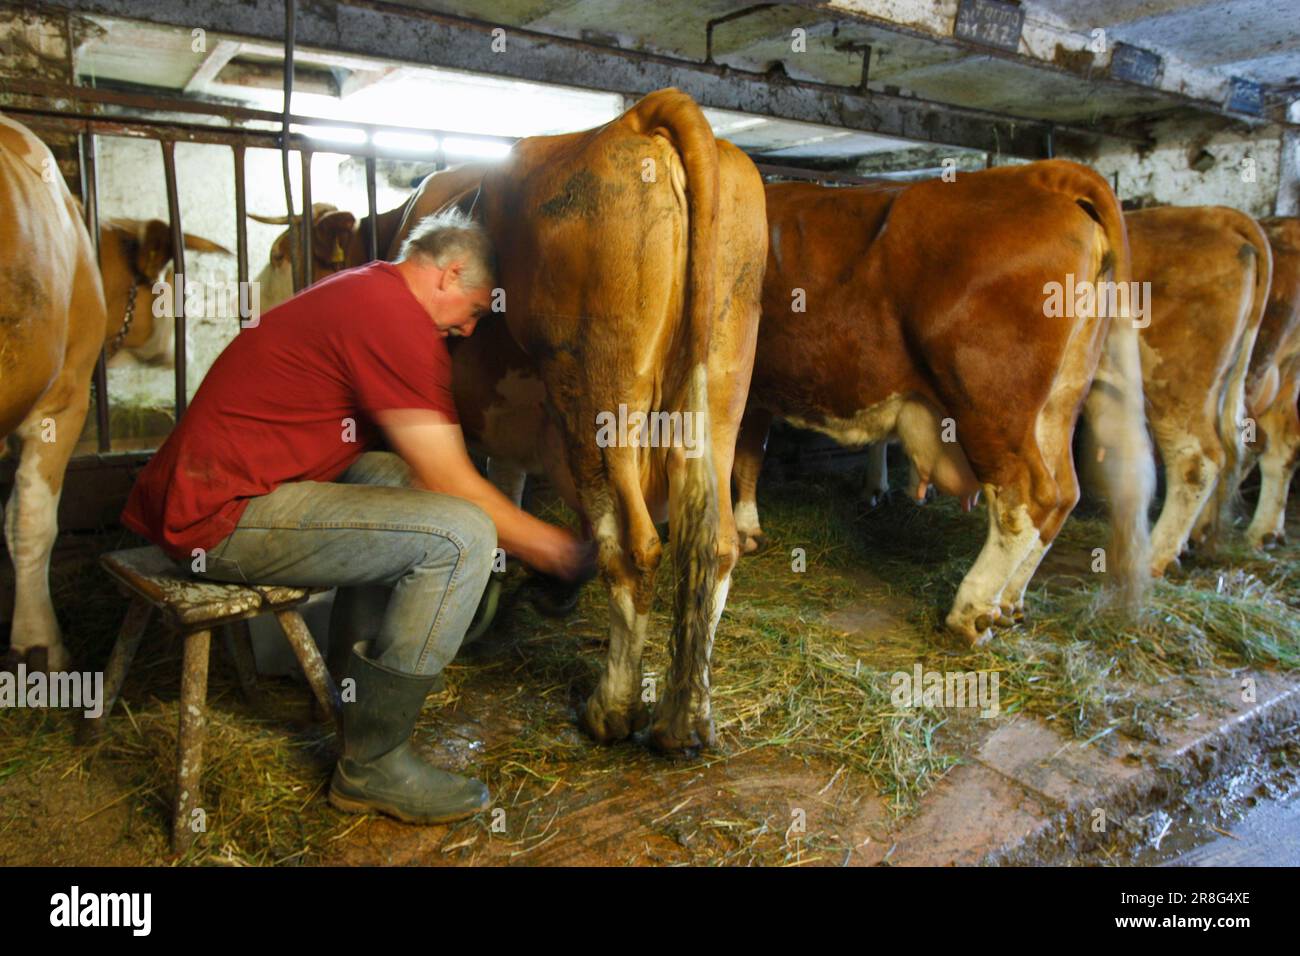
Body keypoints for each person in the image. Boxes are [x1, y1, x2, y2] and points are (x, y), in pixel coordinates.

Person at [122, 208, 591, 824]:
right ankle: (373, 764)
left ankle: (352, 695)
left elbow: (426, 473)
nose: (471, 331)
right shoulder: (392, 317)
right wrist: (559, 550)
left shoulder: (368, 288)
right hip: (216, 516)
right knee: (461, 534)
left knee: (411, 487)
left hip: (243, 487)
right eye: (475, 310)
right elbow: (453, 480)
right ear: (449, 275)